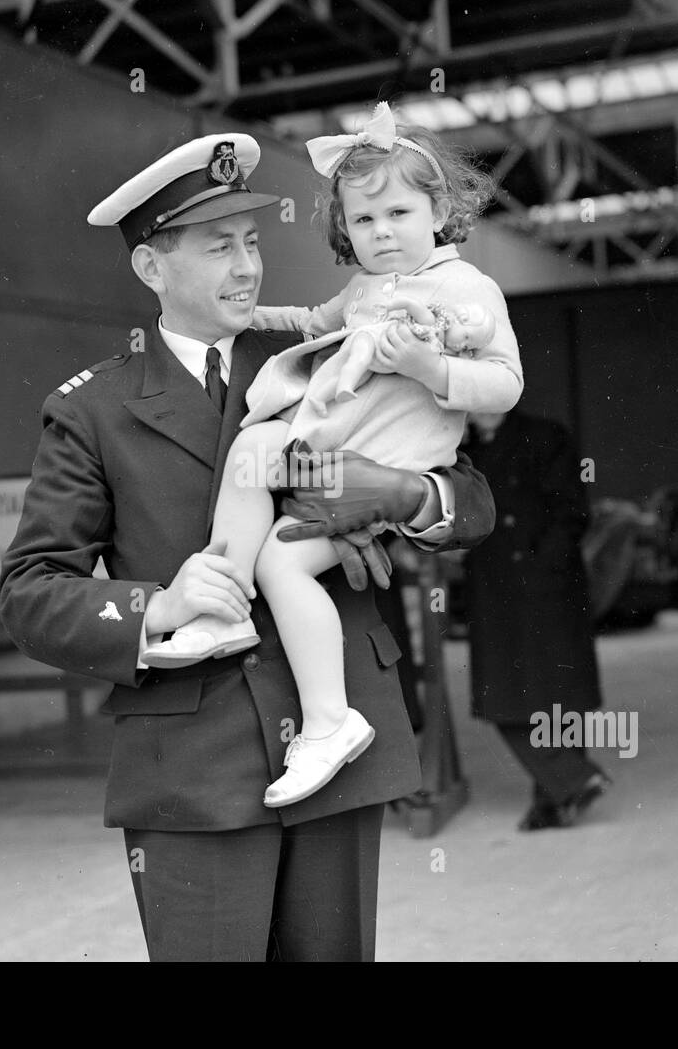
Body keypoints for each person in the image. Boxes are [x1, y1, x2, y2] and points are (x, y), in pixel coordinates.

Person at [0, 131, 497, 961]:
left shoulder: (335, 346)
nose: (246, 268)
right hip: (194, 765)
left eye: (254, 242)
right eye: (217, 246)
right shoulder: (94, 409)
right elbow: (29, 591)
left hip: (342, 745)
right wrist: (158, 607)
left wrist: (407, 494)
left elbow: (472, 495)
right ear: (151, 268)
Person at [142, 104, 525, 810]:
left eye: (399, 214)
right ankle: (326, 717)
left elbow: (504, 386)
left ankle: (228, 614)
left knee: (256, 446)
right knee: (281, 563)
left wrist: (429, 370)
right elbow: (314, 323)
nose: (382, 234)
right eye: (364, 222)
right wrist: (247, 317)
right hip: (337, 453)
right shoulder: (366, 289)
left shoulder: (466, 291)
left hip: (382, 460)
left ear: (439, 211)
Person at [462, 410, 611, 830]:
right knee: (503, 695)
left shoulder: (545, 436)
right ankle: (572, 781)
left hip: (549, 585)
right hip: (494, 588)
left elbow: (572, 512)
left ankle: (556, 798)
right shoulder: (464, 448)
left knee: (560, 695)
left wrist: (541, 568)